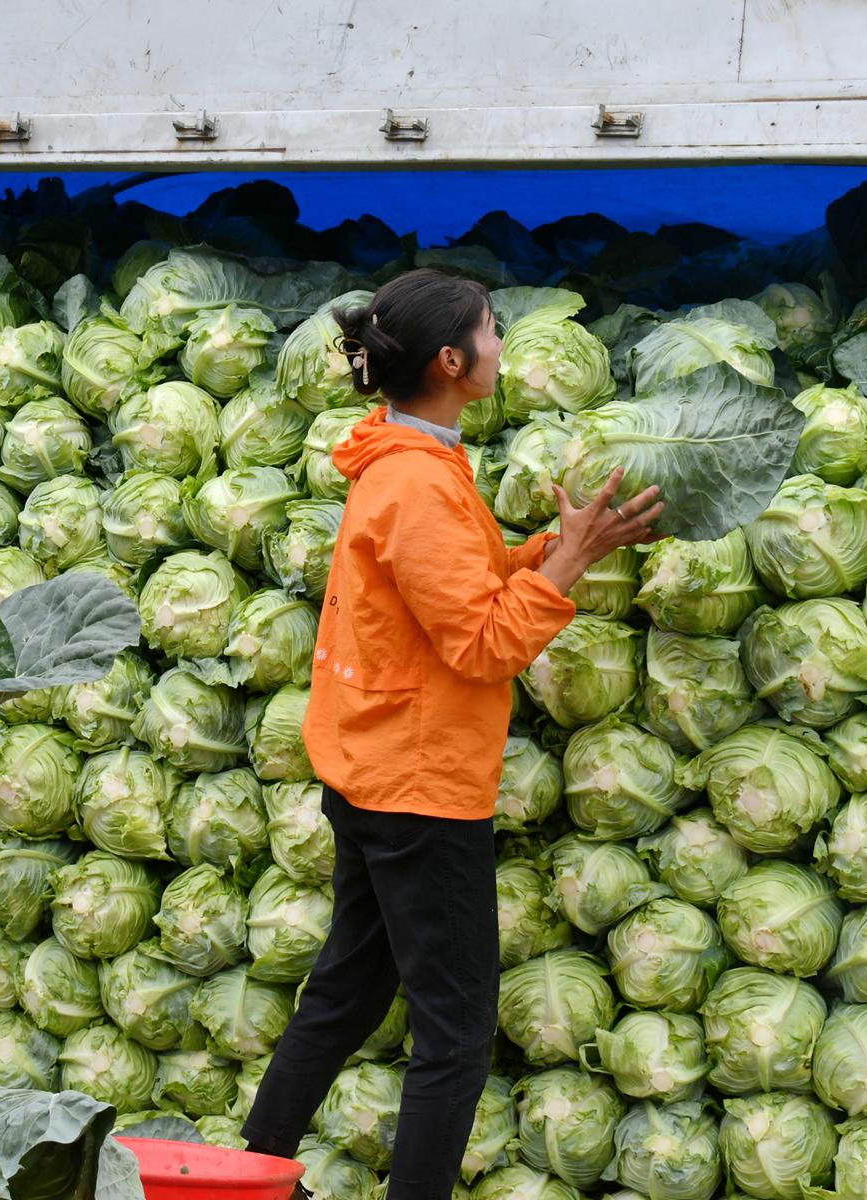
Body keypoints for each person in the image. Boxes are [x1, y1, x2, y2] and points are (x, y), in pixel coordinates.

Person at [238, 269, 663, 1198]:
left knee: (345, 998)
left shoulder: (410, 458)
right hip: (421, 788)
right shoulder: (416, 485)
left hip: (375, 772)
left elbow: (453, 587)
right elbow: (480, 644)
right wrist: (569, 568)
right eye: (494, 331)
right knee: (455, 1037)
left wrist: (558, 550)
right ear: (450, 360)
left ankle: (241, 1176)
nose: (503, 346)